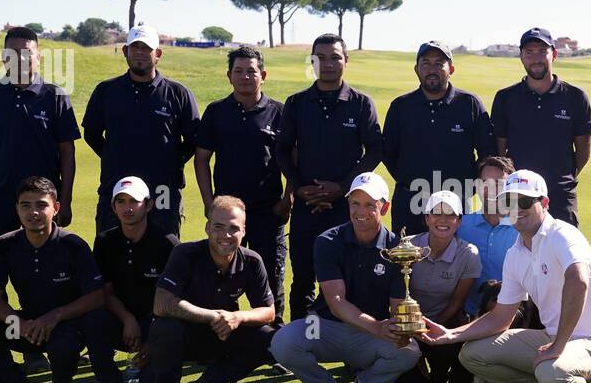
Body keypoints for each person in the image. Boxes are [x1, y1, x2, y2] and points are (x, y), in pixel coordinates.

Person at [422, 170, 591, 383]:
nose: (517, 210)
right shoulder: (516, 253)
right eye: (510, 203)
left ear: (545, 203)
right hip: (556, 339)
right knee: (473, 354)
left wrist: (558, 345)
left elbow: (578, 281)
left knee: (551, 369)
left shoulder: (561, 234)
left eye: (525, 202)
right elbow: (502, 316)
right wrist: (450, 335)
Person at [269, 173, 422, 383]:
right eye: (355, 203)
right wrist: (378, 327)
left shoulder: (397, 248)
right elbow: (335, 301)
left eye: (370, 205)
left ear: (385, 207)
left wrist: (401, 328)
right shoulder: (328, 241)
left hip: (370, 333)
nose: (360, 212)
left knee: (409, 352)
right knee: (283, 342)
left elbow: (397, 305)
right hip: (325, 326)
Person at [0, 177, 119, 383]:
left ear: (56, 208)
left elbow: (96, 297)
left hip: (66, 323)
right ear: (17, 209)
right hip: (26, 324)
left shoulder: (73, 245)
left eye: (41, 205)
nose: (33, 212)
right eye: (26, 205)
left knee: (67, 344)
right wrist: (17, 322)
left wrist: (55, 316)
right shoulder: (3, 245)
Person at [275, 33, 382, 321]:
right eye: (320, 57)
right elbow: (282, 151)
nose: (328, 63)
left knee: (348, 277)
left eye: (335, 57)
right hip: (306, 207)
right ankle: (300, 346)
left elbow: (374, 151)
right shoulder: (296, 103)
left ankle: (350, 349)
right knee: (303, 278)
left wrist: (343, 188)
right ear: (312, 61)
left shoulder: (360, 104)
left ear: (346, 61)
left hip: (346, 208)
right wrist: (300, 188)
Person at [149, 196, 278, 383]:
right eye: (218, 227)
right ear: (207, 227)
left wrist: (238, 317)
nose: (226, 235)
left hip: (222, 335)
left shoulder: (252, 261)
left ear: (243, 231)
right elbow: (161, 303)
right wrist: (212, 316)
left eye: (233, 228)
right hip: (185, 337)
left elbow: (268, 311)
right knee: (164, 327)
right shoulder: (185, 254)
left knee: (269, 337)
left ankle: (213, 382)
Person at [0, 26, 80, 252]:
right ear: (4, 58)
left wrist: (65, 200)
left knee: (45, 275)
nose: (20, 59)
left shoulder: (56, 96)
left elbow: (67, 152)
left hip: (42, 203)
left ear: (38, 57)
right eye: (12, 54)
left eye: (26, 53)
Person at [193, 45, 289, 327]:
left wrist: (287, 200)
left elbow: (293, 161)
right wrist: (209, 203)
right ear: (229, 75)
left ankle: (274, 339)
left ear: (263, 75)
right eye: (239, 71)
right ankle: (218, 335)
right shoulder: (216, 112)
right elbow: (202, 160)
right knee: (219, 273)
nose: (245, 76)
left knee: (271, 276)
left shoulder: (279, 113)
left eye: (251, 71)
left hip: (266, 211)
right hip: (225, 214)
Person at [82, 24, 200, 237]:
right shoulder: (106, 91)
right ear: (125, 51)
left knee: (165, 251)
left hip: (163, 187)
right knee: (111, 250)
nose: (140, 53)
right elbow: (91, 134)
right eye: (135, 47)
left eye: (146, 48)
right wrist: (114, 155)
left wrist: (171, 160)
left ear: (158, 54)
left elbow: (193, 139)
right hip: (116, 184)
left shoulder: (178, 93)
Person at [381, 41, 495, 235]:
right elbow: (388, 152)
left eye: (438, 63)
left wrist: (469, 188)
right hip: (411, 201)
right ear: (417, 69)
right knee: (408, 262)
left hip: (457, 201)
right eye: (425, 64)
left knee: (458, 261)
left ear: (451, 69)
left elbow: (487, 154)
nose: (431, 70)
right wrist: (410, 179)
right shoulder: (401, 106)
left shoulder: (469, 104)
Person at [91, 176, 180, 383]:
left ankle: (159, 372)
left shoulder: (168, 243)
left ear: (149, 205)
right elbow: (105, 292)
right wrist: (127, 319)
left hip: (158, 322)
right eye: (121, 201)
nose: (127, 208)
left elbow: (175, 300)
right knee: (93, 320)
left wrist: (151, 338)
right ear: (113, 206)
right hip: (121, 320)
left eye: (134, 201)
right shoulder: (104, 241)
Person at [490, 28, 591, 225]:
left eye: (541, 51)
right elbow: (500, 148)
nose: (535, 58)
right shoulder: (506, 98)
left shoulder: (575, 97)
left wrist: (564, 177)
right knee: (520, 251)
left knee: (561, 252)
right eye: (529, 52)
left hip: (561, 194)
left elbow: (583, 150)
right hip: (518, 195)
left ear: (554, 54)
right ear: (521, 57)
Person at [396, 191, 481, 383]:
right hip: (406, 323)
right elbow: (396, 294)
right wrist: (411, 328)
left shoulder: (469, 254)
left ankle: (439, 379)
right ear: (426, 218)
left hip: (444, 321)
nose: (443, 220)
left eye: (451, 215)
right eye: (436, 213)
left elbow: (456, 302)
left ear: (459, 221)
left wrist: (431, 329)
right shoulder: (408, 246)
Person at [457, 155, 520, 317]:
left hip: (513, 317)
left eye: (499, 184)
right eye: (485, 183)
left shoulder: (523, 229)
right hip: (465, 316)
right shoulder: (461, 225)